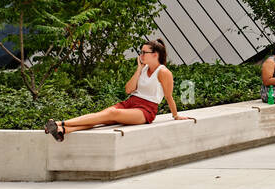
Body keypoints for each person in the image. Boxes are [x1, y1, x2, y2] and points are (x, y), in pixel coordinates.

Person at [45, 39, 187, 140]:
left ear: (155, 55)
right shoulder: (143, 69)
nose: (141, 55)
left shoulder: (163, 72)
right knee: (101, 116)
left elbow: (168, 96)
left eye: (144, 52)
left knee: (110, 113)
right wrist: (138, 69)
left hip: (146, 110)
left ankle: (59, 123)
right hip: (131, 102)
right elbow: (128, 90)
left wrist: (176, 116)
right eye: (141, 52)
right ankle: (63, 130)